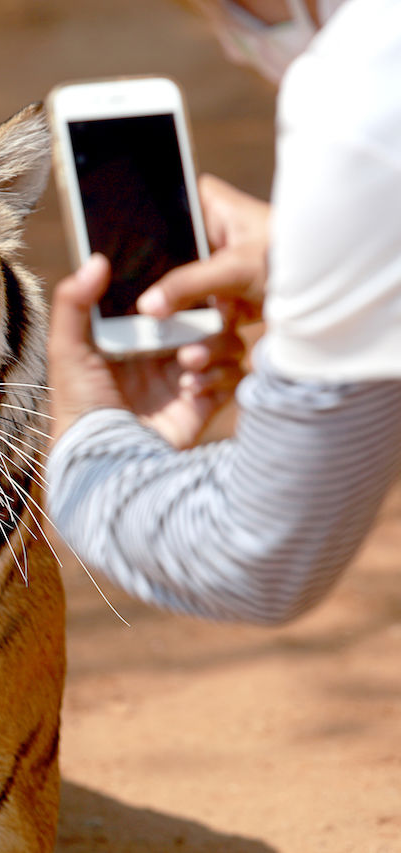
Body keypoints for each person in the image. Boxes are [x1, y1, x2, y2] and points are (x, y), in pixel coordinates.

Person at [44, 0, 401, 624]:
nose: (233, 37)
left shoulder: (360, 93)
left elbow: (251, 559)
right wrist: (318, 262)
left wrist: (86, 441)